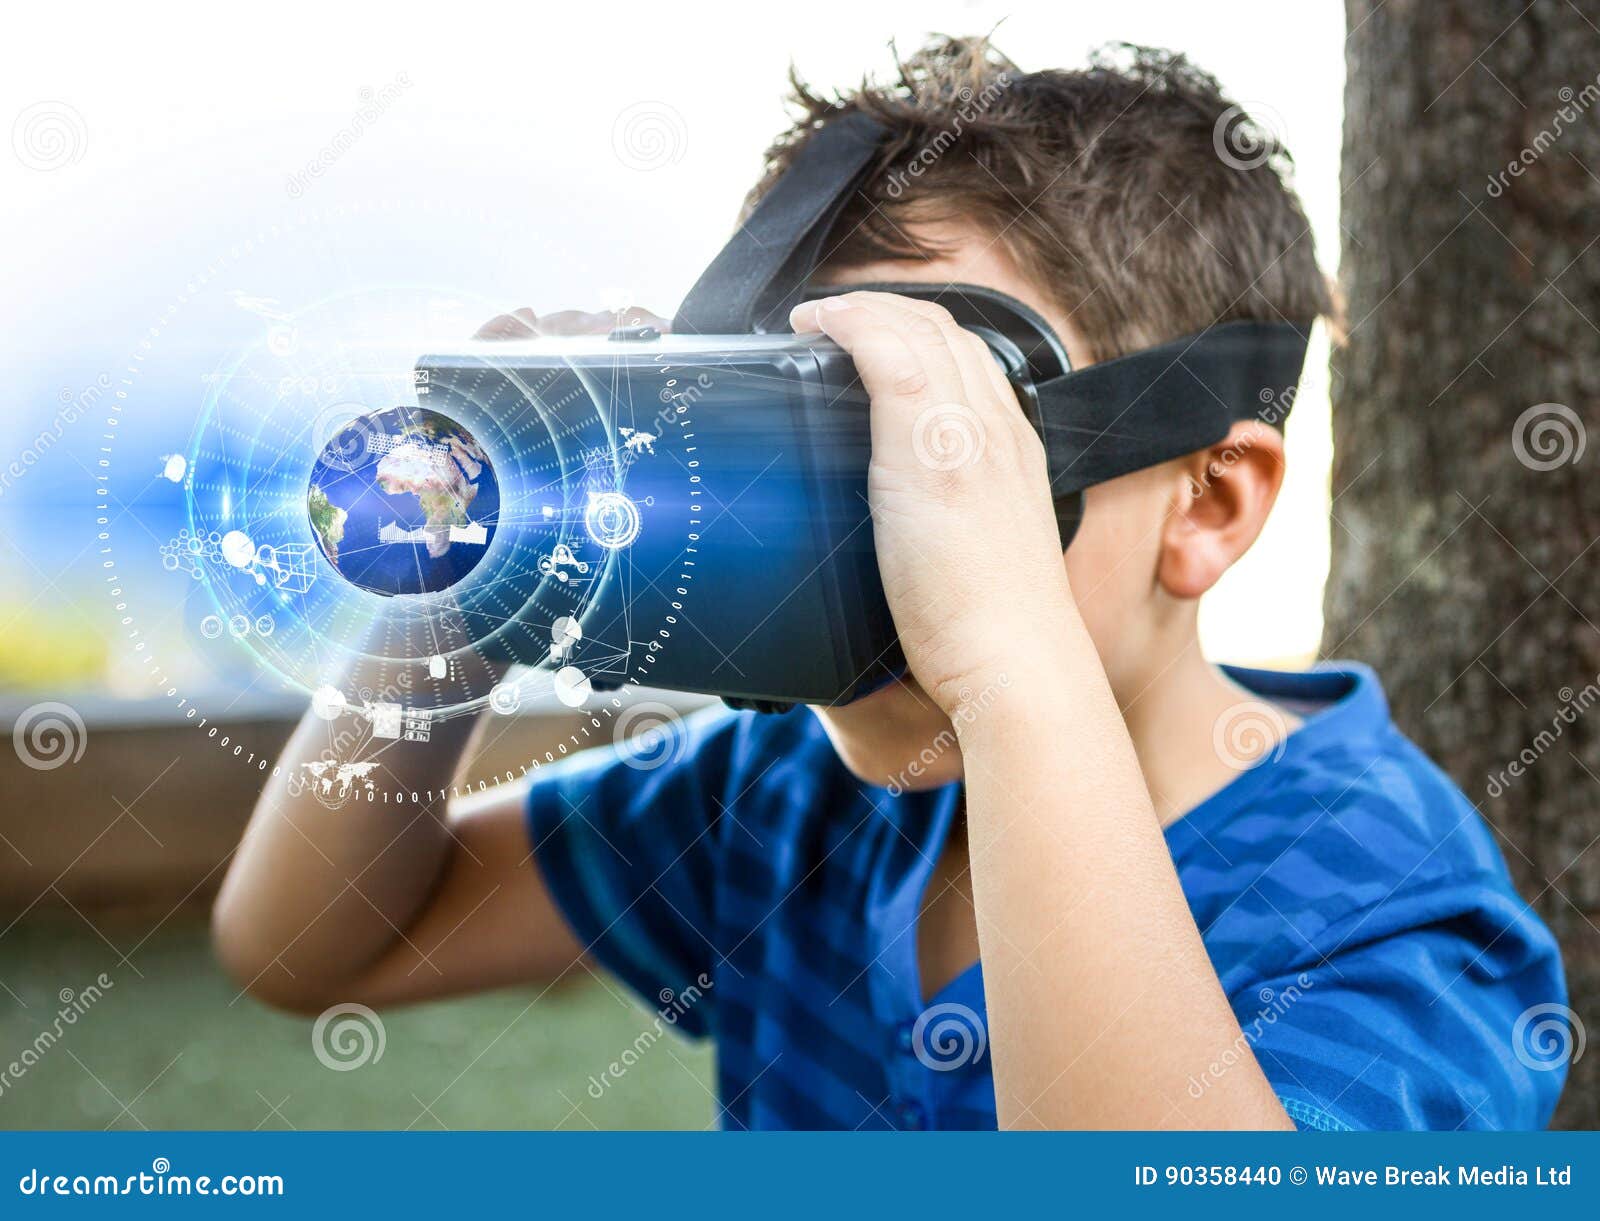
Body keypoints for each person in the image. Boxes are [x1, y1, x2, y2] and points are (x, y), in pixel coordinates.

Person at [213, 37, 1567, 1130]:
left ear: (1204, 502)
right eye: (800, 440)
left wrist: (1010, 674)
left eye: (932, 452)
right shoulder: (777, 795)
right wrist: (461, 572)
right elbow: (316, 947)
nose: (868, 535)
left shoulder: (1385, 919)